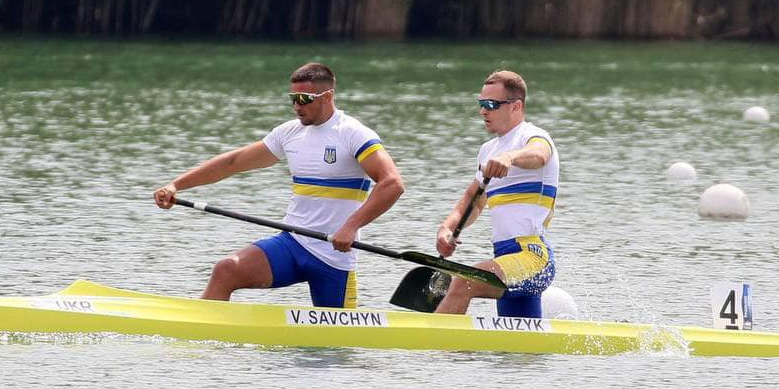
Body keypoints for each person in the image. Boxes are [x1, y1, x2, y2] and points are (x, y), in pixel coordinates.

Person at [154, 62, 404, 308]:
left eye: (304, 99)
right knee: (226, 269)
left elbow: (392, 183)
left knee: (336, 347)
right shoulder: (289, 133)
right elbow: (232, 162)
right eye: (292, 99)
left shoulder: (353, 133)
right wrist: (176, 185)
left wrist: (350, 227)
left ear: (328, 96)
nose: (297, 106)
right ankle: (200, 338)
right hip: (293, 244)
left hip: (335, 257)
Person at [433, 69, 558, 317]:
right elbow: (473, 202)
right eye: (481, 104)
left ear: (516, 106)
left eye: (491, 104)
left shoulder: (533, 136)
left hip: (532, 258)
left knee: (463, 282)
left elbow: (540, 155)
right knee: (518, 351)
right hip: (506, 259)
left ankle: (434, 354)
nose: (483, 111)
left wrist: (510, 158)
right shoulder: (487, 150)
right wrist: (447, 229)